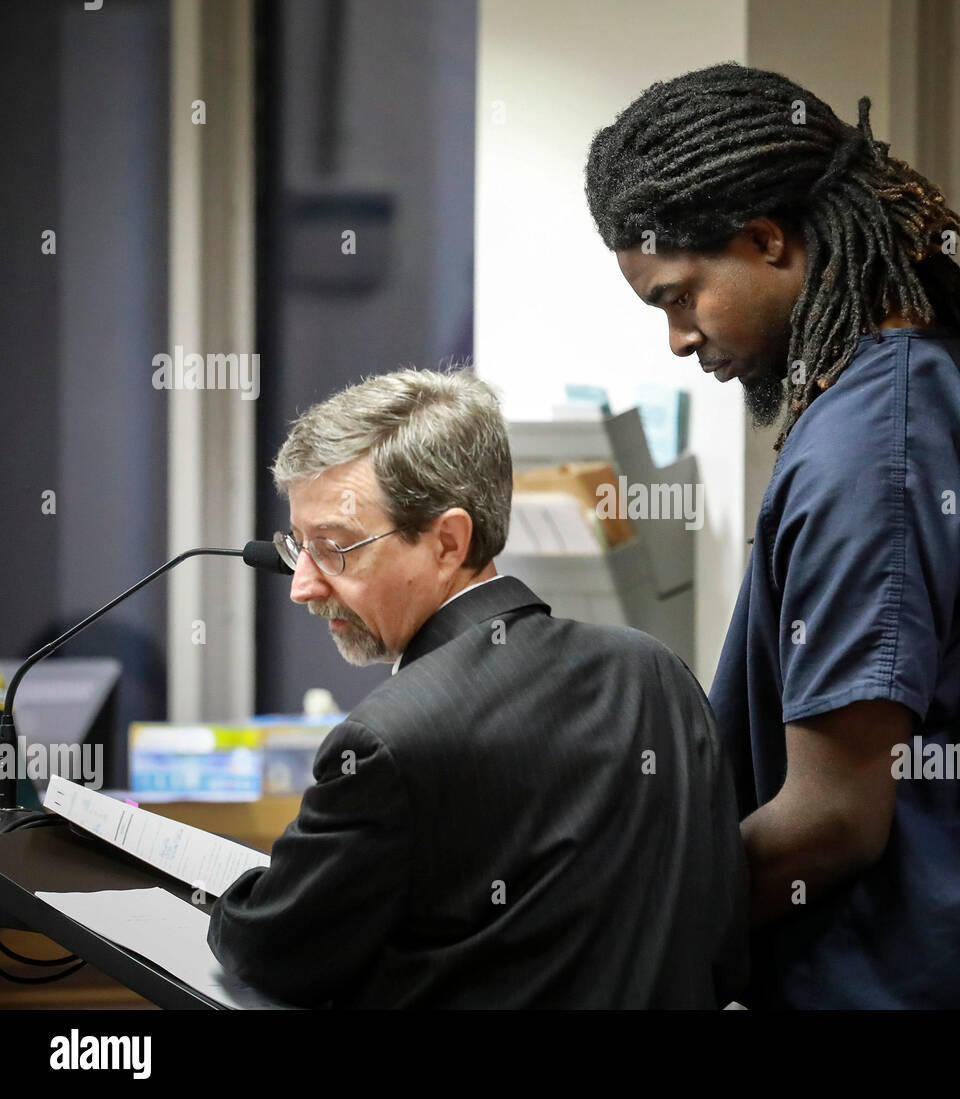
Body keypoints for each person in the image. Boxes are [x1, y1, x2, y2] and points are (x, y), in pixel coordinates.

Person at [585, 62, 960, 1008]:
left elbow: (832, 819)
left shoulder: (875, 451)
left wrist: (619, 938)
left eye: (678, 295)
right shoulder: (949, 389)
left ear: (766, 239)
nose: (676, 338)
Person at [206, 367, 748, 1008]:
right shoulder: (654, 670)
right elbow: (721, 927)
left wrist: (228, 900)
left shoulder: (389, 741)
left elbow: (274, 951)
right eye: (299, 548)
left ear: (448, 542)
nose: (303, 585)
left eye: (335, 549)